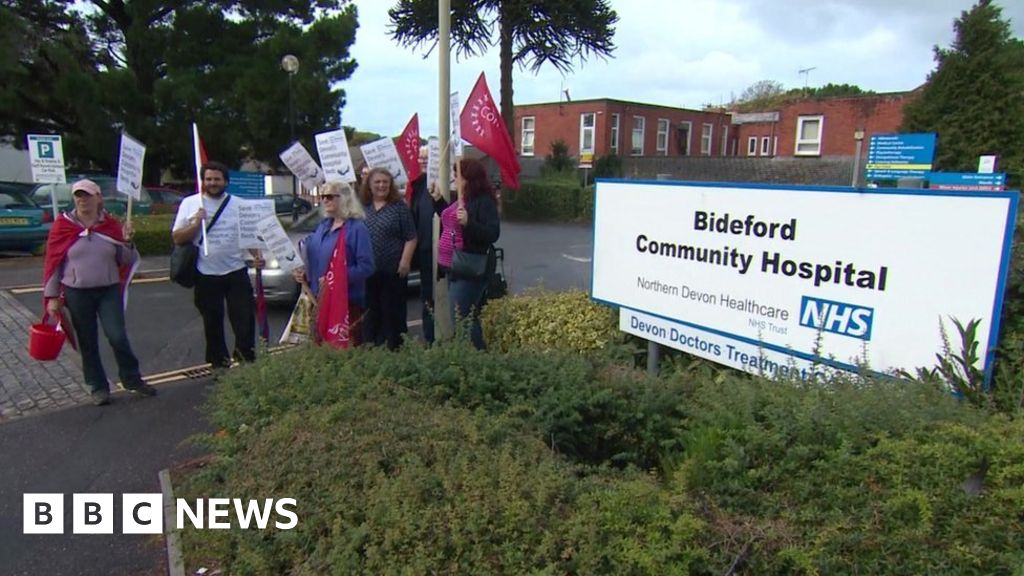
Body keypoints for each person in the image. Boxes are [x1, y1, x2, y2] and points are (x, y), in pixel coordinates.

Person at [42, 179, 156, 405]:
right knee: (87, 341)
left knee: (117, 336)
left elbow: (125, 260)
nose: (83, 200)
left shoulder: (111, 225)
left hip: (107, 290)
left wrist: (127, 242)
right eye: (78, 196)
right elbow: (53, 262)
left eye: (88, 195)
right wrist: (52, 297)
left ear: (98, 198)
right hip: (77, 293)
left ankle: (132, 379)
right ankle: (98, 386)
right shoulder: (63, 226)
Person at [172, 162, 258, 370]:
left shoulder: (239, 204)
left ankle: (246, 360)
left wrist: (257, 256)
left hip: (236, 271)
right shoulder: (190, 203)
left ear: (226, 182)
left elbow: (249, 236)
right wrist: (195, 223)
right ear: (203, 181)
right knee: (212, 321)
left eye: (217, 179)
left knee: (244, 320)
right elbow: (177, 238)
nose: (212, 183)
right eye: (208, 179)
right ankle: (219, 363)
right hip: (205, 273)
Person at [292, 181, 375, 347]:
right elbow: (314, 257)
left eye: (329, 196)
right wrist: (303, 272)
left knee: (344, 350)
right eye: (323, 196)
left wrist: (336, 278)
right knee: (321, 350)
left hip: (346, 302)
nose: (324, 200)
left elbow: (367, 266)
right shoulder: (323, 226)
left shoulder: (357, 229)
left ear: (344, 198)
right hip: (318, 299)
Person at [431, 158, 500, 350]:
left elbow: (492, 234)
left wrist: (470, 223)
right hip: (454, 266)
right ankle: (471, 353)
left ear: (470, 179)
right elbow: (451, 221)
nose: (455, 179)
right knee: (463, 315)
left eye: (458, 176)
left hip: (471, 267)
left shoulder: (483, 201)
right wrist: (438, 201)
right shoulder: (464, 198)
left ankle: (479, 354)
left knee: (462, 316)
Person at [359, 167, 417, 349]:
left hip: (393, 271)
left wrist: (405, 261)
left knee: (392, 316)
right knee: (370, 316)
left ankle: (394, 351)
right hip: (368, 272)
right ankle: (371, 350)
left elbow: (411, 237)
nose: (381, 185)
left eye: (385, 182)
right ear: (369, 185)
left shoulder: (399, 207)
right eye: (377, 182)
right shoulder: (362, 208)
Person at [408, 145, 436, 343]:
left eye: (428, 156)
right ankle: (430, 340)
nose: (423, 160)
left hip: (444, 253)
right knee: (427, 300)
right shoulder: (417, 187)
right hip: (425, 252)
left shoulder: (447, 184)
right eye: (421, 157)